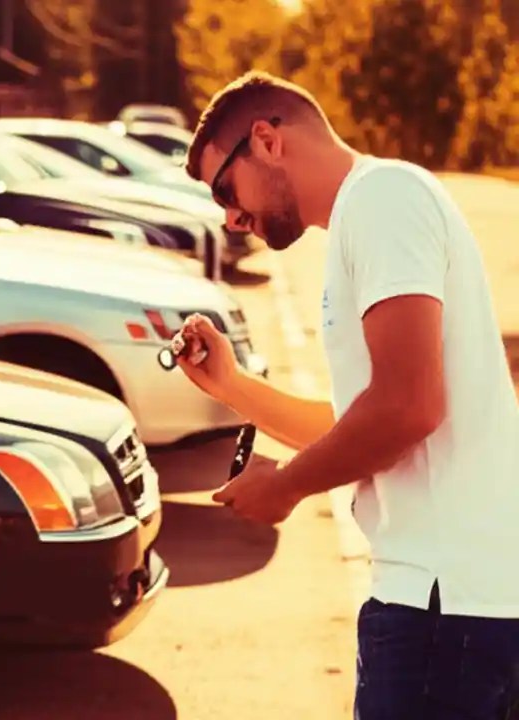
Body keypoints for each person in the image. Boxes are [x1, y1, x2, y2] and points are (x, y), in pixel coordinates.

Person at [177, 70, 519, 719]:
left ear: (268, 140)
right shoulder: (368, 214)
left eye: (226, 187)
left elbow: (409, 407)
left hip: (443, 609)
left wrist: (284, 489)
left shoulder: (382, 199)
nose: (230, 216)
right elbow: (362, 424)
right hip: (444, 604)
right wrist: (233, 386)